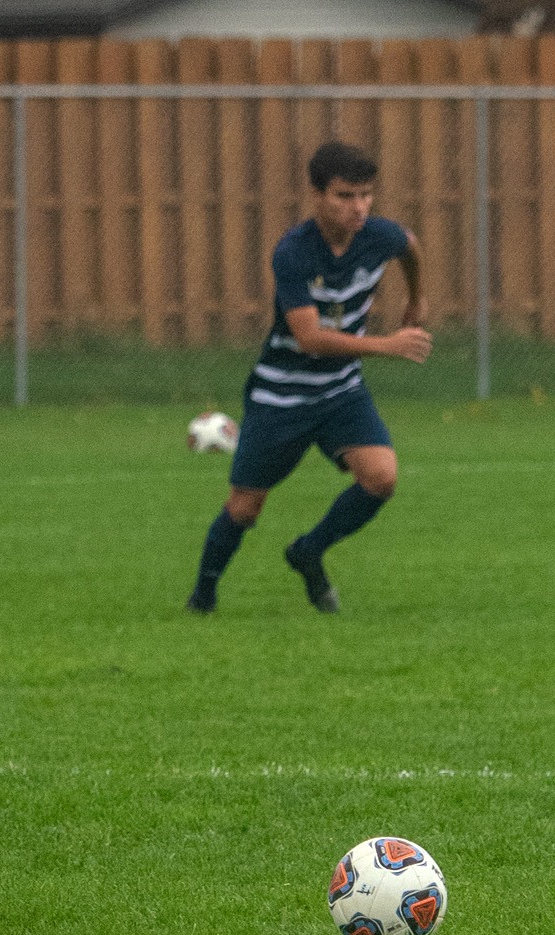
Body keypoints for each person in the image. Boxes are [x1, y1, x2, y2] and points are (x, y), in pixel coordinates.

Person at [187, 141, 429, 615]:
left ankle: (309, 551)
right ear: (317, 196)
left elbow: (410, 245)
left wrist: (417, 298)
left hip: (341, 392)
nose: (358, 206)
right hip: (281, 396)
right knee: (245, 507)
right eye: (344, 196)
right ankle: (202, 598)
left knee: (381, 478)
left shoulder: (378, 236)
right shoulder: (294, 253)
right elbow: (309, 337)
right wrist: (385, 345)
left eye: (365, 195)